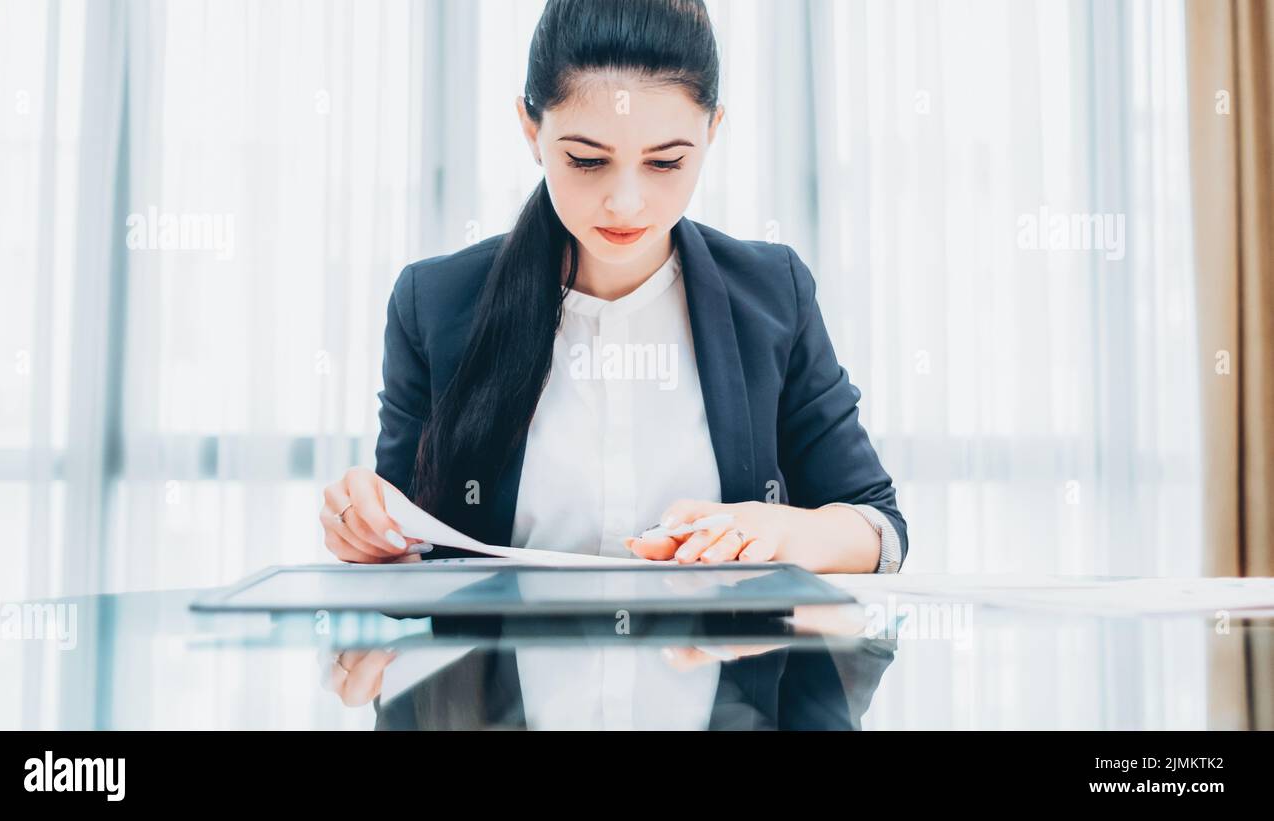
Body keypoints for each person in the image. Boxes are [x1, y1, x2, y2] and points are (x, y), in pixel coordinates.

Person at [319, 0, 907, 575]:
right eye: (586, 160)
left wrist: (783, 530)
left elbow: (877, 528)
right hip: (501, 672)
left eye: (666, 163)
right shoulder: (437, 303)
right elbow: (399, 544)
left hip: (724, 671)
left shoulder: (772, 294)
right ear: (531, 130)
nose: (626, 204)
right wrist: (363, 528)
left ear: (713, 130)